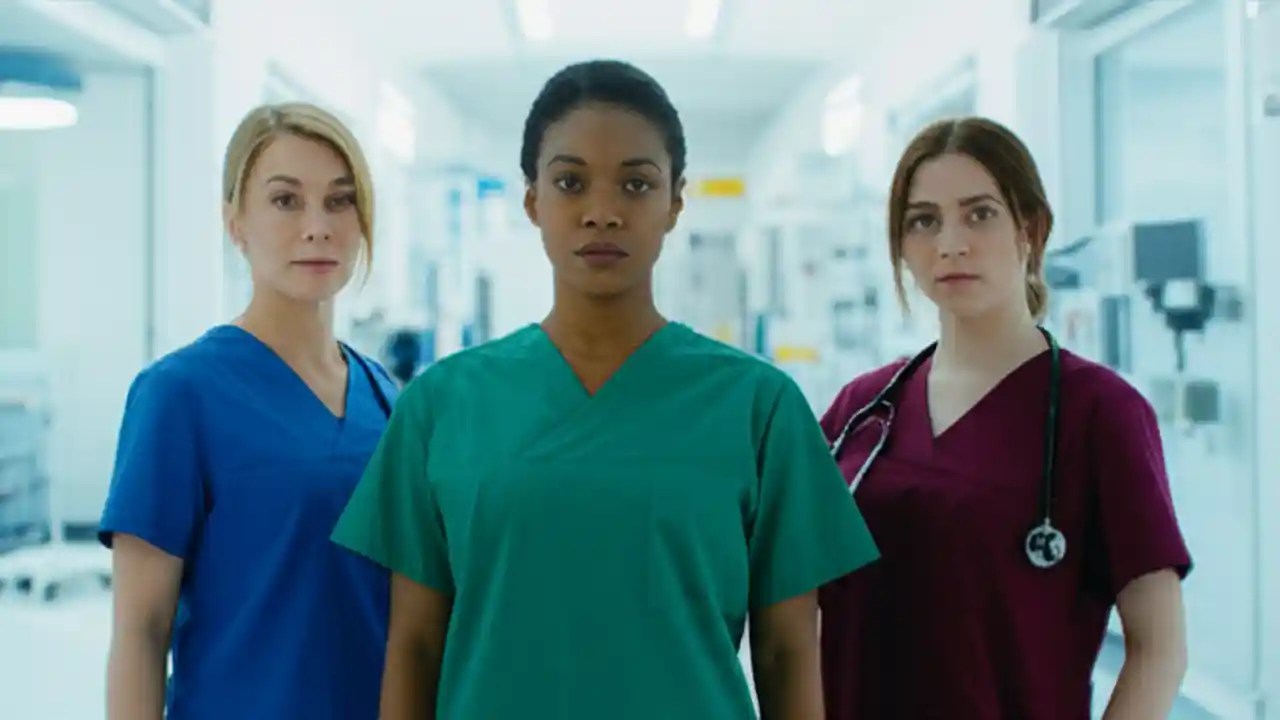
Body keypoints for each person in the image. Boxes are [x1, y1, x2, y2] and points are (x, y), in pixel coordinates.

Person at [331, 59, 879, 720]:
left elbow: (789, 652)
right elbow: (414, 645)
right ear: (532, 200)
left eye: (636, 184)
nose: (602, 212)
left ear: (676, 201)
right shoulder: (442, 405)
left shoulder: (758, 407)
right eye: (570, 182)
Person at [818, 116, 1193, 719]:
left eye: (979, 213)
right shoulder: (861, 408)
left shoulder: (1099, 414)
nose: (950, 243)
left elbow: (1159, 648)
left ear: (1030, 229)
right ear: (903, 247)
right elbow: (788, 599)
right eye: (923, 221)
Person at [98, 102, 399, 720]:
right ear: (235, 222)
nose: (317, 226)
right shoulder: (181, 395)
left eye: (340, 201)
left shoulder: (390, 402)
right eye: (286, 200)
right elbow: (139, 630)